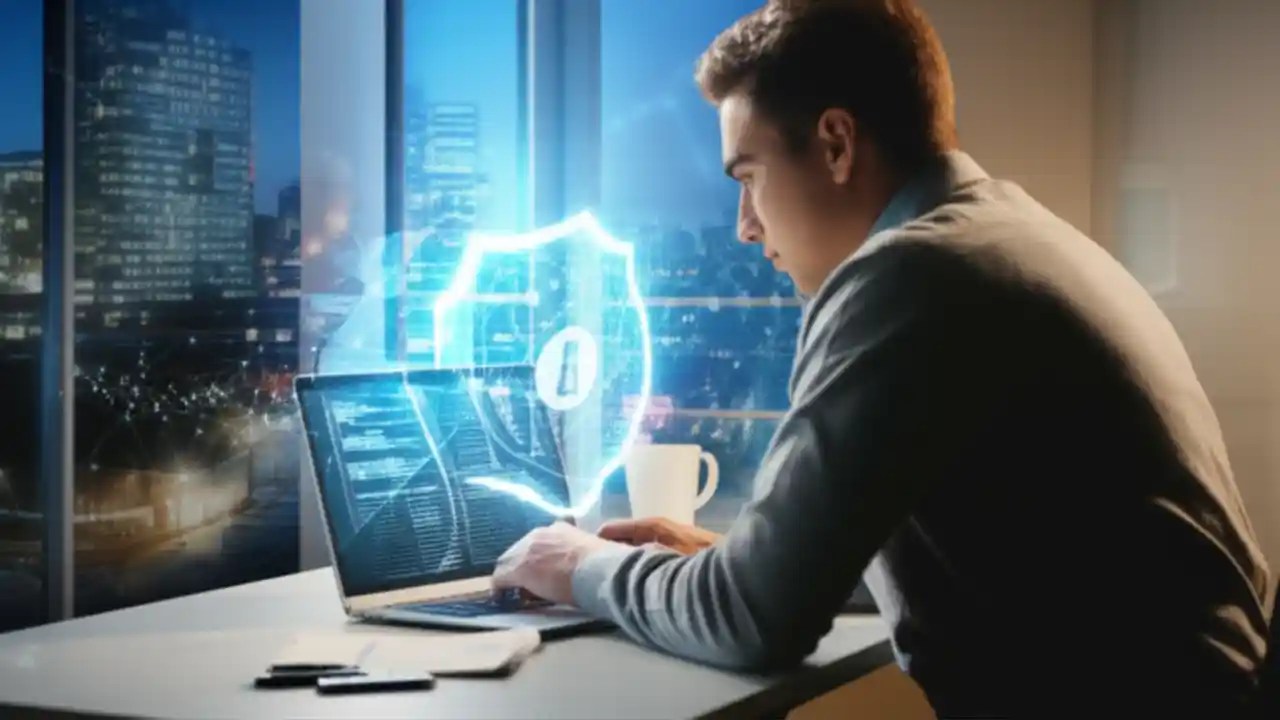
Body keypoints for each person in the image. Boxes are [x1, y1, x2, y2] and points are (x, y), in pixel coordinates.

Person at [490, 0, 1276, 716]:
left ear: (836, 144)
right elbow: (1018, 567)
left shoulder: (910, 276)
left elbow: (752, 621)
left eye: (750, 177)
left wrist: (578, 564)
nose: (744, 226)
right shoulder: (1004, 237)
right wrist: (738, 557)